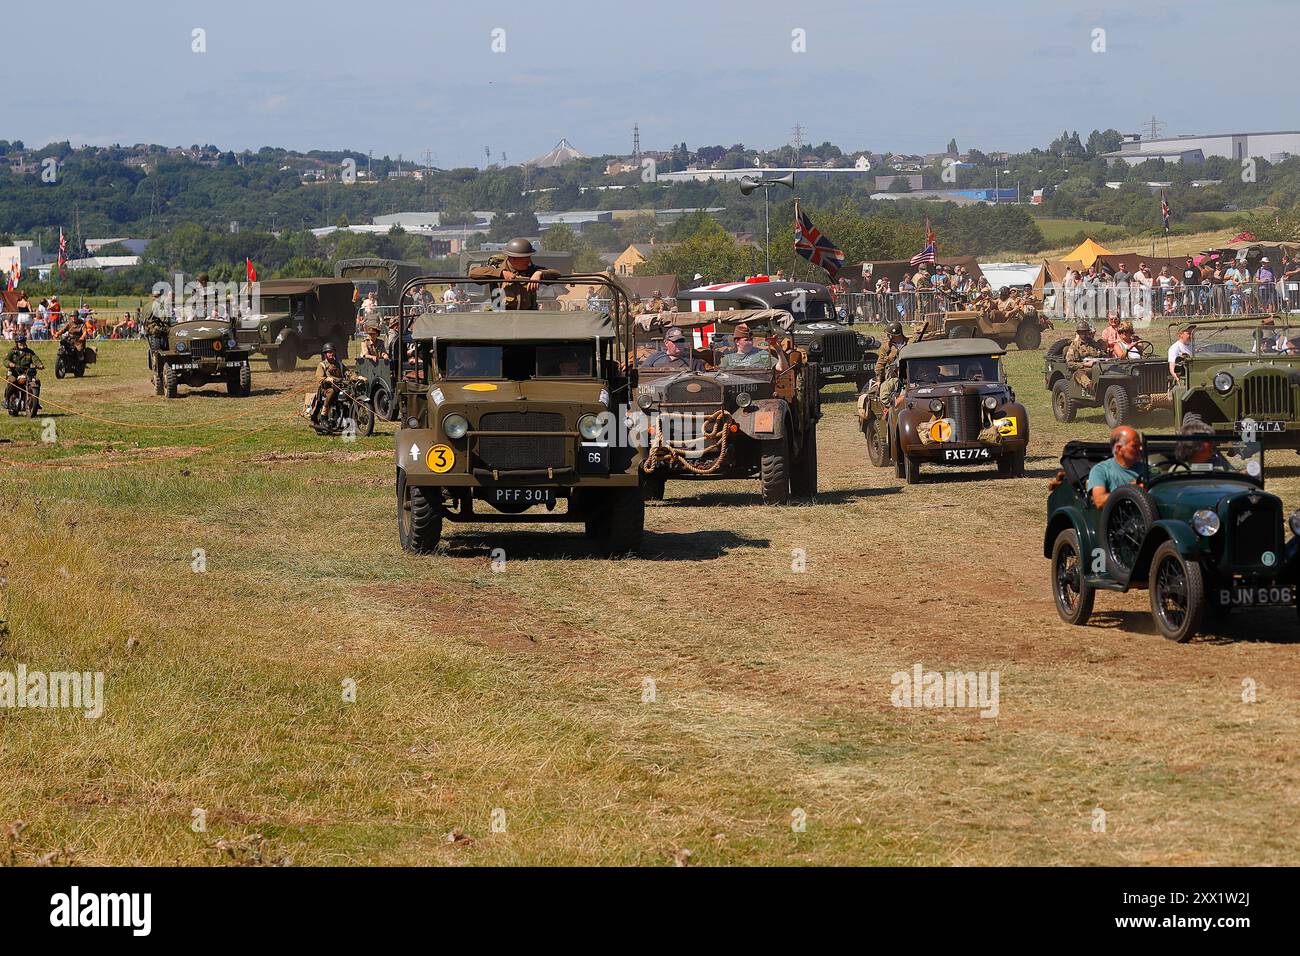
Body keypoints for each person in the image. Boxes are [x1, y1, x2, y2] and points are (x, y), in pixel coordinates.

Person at [467, 238, 561, 310]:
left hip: (528, 317)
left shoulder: (532, 270)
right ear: (512, 258)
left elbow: (556, 274)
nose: (528, 260)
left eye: (529, 257)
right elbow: (473, 273)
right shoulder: (496, 269)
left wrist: (539, 273)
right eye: (525, 258)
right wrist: (501, 274)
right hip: (501, 317)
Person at [1087, 425, 1146, 508]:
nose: (1140, 449)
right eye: (1135, 446)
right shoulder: (1101, 470)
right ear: (1119, 449)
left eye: (1140, 445)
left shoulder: (1146, 469)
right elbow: (1099, 501)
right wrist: (1133, 490)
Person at [719, 323, 789, 372]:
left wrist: (778, 349)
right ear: (737, 341)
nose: (750, 342)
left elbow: (782, 368)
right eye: (746, 340)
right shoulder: (727, 358)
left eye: (751, 339)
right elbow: (721, 376)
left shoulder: (761, 354)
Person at [1065, 320, 1107, 397]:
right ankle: (1091, 386)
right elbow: (1069, 363)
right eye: (1081, 332)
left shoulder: (1093, 343)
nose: (1084, 334)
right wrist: (1084, 364)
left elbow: (1102, 353)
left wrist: (1103, 355)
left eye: (1085, 332)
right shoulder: (1075, 345)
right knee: (1079, 373)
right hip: (1083, 369)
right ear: (1078, 333)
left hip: (1096, 367)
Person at [309, 343, 349, 420]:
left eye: (332, 351)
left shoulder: (339, 364)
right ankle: (324, 416)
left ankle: (347, 414)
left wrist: (355, 377)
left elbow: (347, 372)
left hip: (340, 387)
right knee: (332, 392)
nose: (331, 354)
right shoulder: (322, 365)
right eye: (329, 352)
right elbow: (320, 378)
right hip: (326, 389)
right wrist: (328, 379)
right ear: (325, 354)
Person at [4, 334, 41, 407]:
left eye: (23, 342)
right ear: (16, 343)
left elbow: (35, 359)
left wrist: (40, 365)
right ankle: (6, 399)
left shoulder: (29, 352)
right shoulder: (12, 351)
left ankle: (35, 402)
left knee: (36, 382)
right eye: (20, 342)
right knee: (12, 381)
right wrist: (10, 364)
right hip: (14, 372)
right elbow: (5, 360)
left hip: (26, 372)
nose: (21, 344)